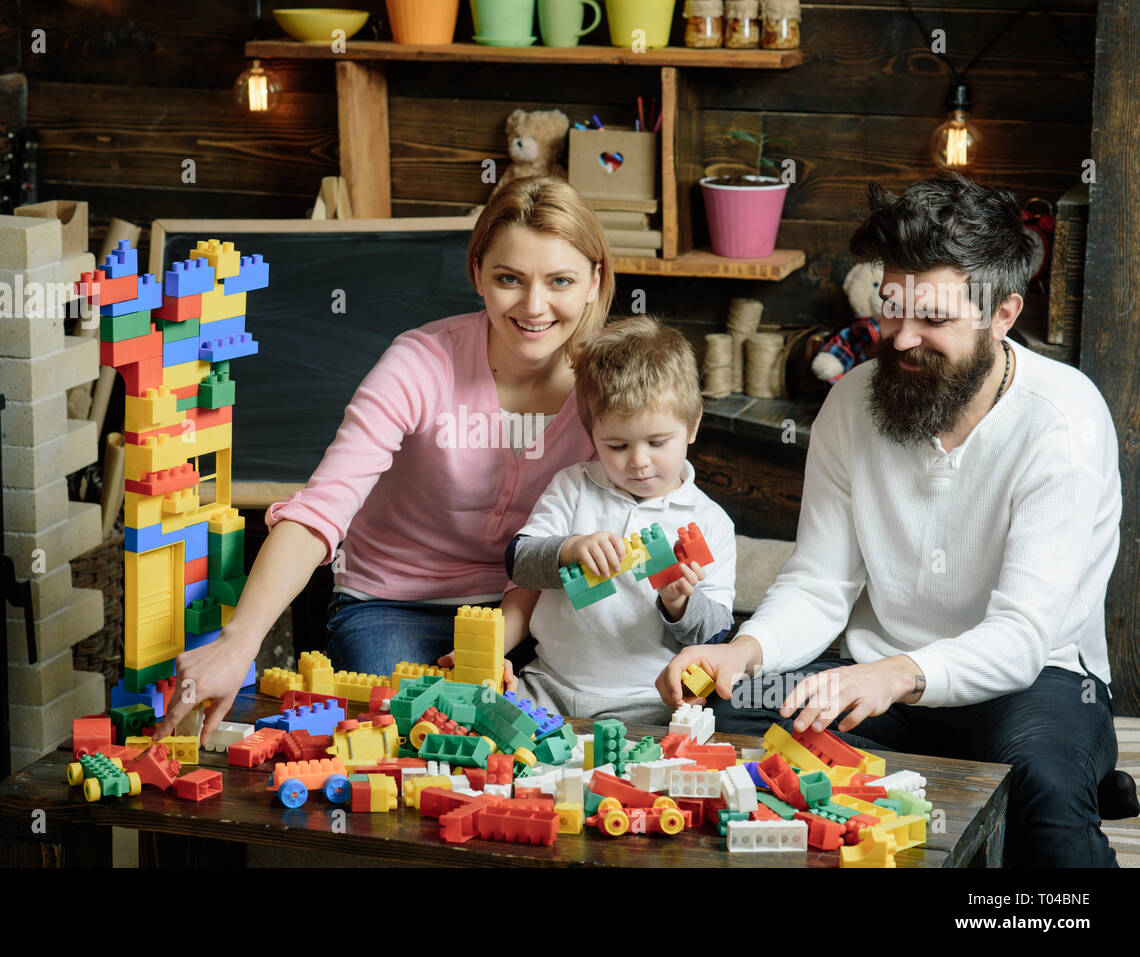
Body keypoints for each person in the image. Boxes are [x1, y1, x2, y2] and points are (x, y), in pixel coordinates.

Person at [656, 172, 1128, 867]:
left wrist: (894, 674)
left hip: (1032, 684)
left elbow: (1022, 636)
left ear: (1002, 314)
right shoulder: (852, 404)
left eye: (933, 319)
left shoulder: (1066, 419)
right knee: (728, 720)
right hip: (875, 681)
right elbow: (819, 584)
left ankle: (1073, 782)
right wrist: (743, 652)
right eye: (892, 306)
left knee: (1047, 805)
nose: (902, 338)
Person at [154, 176, 614, 743]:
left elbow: (624, 515)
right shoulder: (420, 362)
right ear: (477, 275)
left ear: (595, 281)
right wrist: (238, 642)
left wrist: (505, 639)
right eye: (509, 279)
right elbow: (322, 509)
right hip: (393, 603)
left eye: (560, 281)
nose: (534, 306)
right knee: (403, 739)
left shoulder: (606, 385)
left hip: (531, 609)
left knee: (539, 745)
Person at [496, 316, 736, 726]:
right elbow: (519, 562)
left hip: (646, 700)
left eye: (658, 442)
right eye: (617, 445)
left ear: (693, 425)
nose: (639, 461)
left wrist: (679, 604)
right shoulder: (574, 487)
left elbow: (714, 635)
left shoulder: (710, 522)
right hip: (548, 684)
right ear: (592, 435)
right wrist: (570, 548)